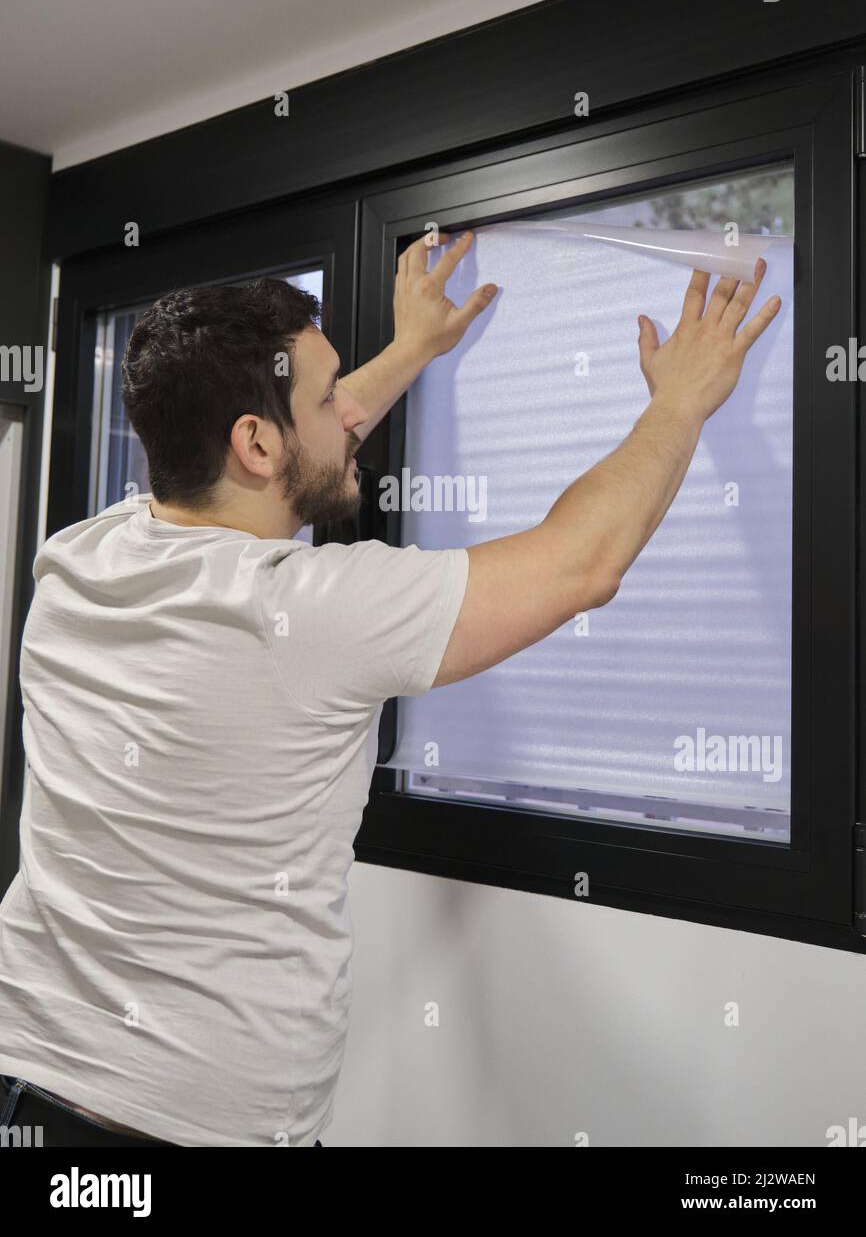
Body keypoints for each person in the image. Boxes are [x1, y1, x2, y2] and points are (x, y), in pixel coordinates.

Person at [0, 231, 780, 1146]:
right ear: (253, 440)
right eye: (328, 397)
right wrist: (680, 404)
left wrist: (412, 350)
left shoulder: (84, 556)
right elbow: (582, 565)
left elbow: (292, 455)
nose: (348, 412)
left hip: (31, 1077)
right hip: (184, 1130)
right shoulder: (309, 611)